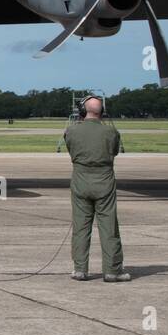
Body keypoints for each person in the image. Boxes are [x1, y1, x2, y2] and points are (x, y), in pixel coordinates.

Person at [63, 95, 127, 282]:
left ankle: (80, 269)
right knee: (109, 227)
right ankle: (112, 271)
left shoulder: (71, 131)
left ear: (83, 111)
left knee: (81, 226)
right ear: (102, 112)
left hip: (80, 180)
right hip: (104, 181)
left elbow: (70, 150)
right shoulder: (112, 132)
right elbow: (114, 151)